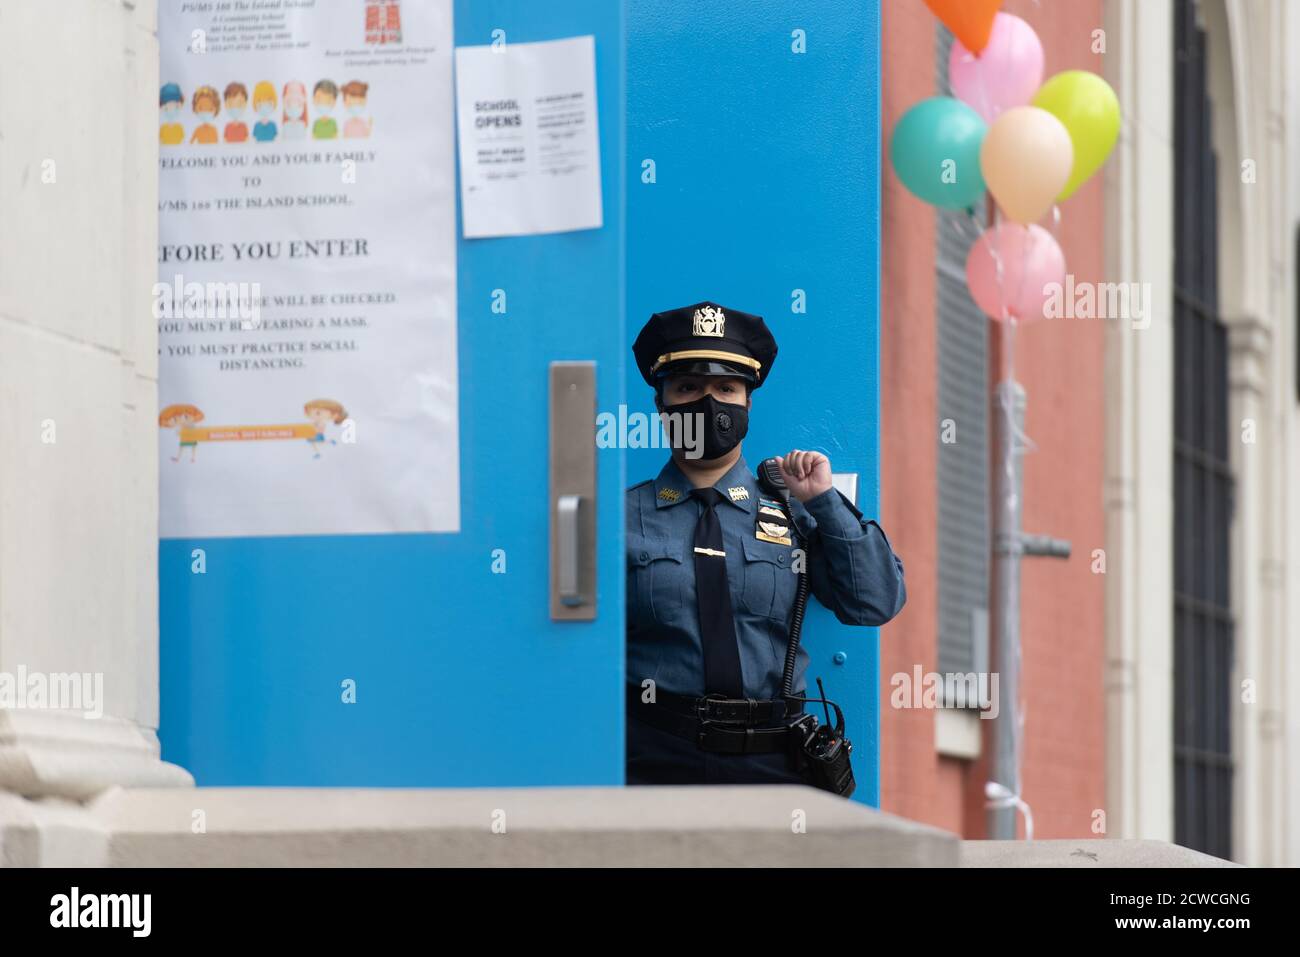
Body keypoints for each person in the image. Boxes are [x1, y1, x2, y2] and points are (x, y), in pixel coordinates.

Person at [626, 300, 906, 787]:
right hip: (652, 758)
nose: (708, 404)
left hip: (773, 765)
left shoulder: (796, 513)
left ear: (748, 403)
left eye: (726, 389)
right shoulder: (620, 518)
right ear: (661, 403)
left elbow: (874, 603)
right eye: (688, 387)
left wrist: (823, 501)